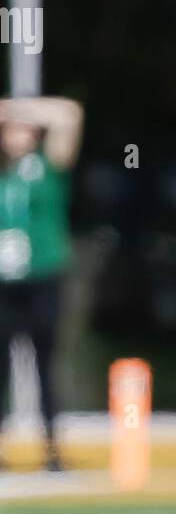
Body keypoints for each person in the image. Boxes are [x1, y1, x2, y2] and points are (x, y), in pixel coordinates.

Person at [0, 97, 84, 472]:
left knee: (45, 366)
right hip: (4, 283)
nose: (20, 137)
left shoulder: (46, 168)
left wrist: (15, 107)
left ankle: (52, 448)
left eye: (25, 130)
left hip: (42, 276)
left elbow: (69, 113)